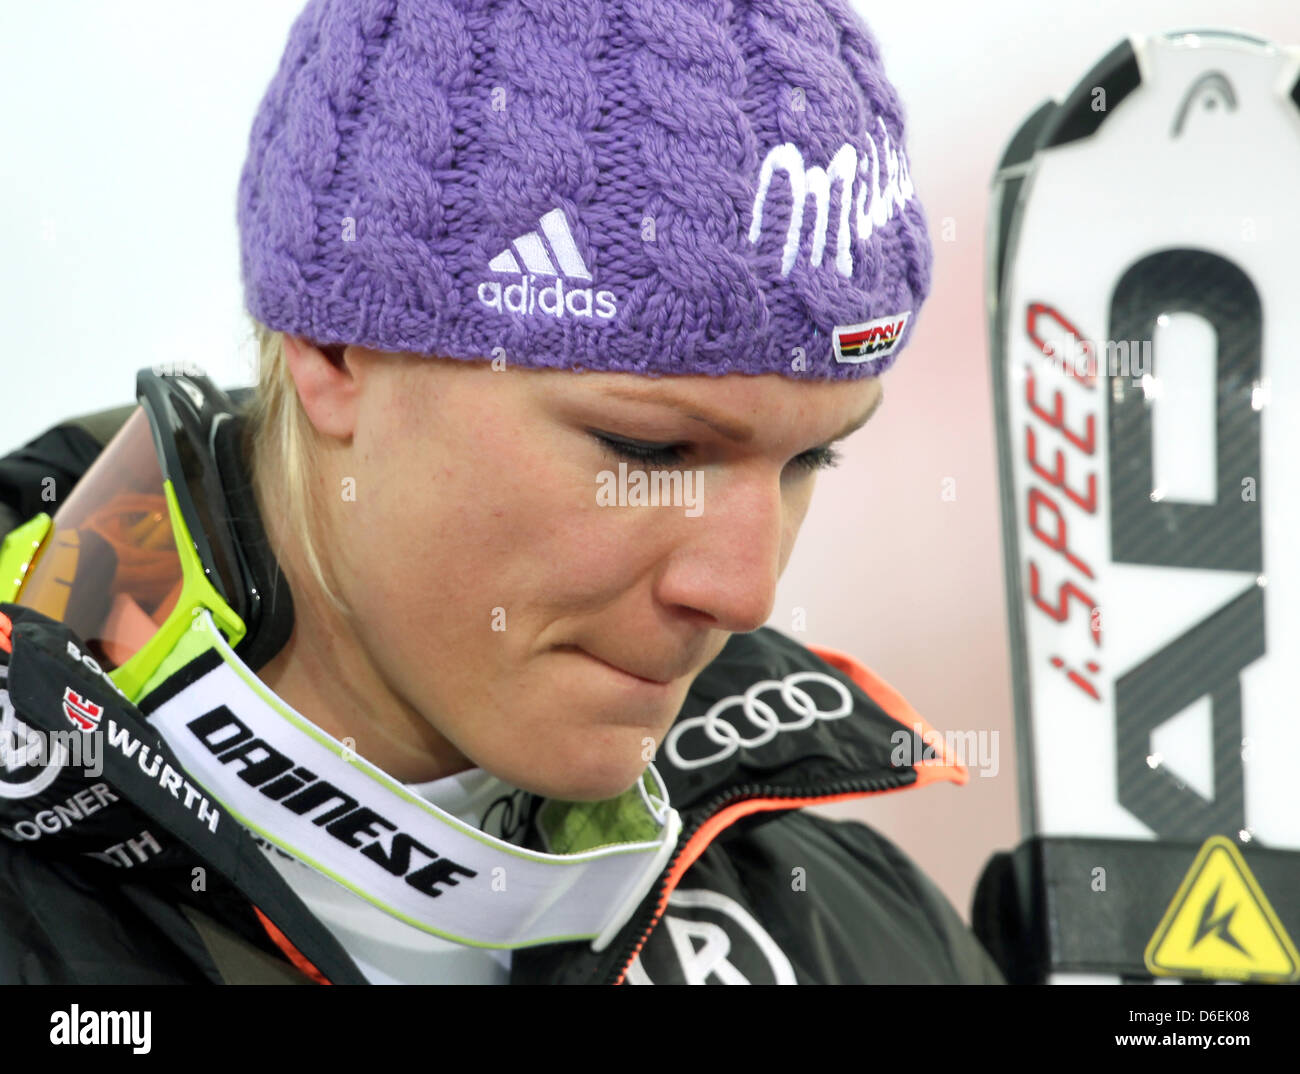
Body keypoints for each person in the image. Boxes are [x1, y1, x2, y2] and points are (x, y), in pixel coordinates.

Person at [0, 0, 1004, 985]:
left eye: (807, 462)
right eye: (646, 449)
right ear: (335, 353)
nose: (744, 594)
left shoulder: (838, 919)